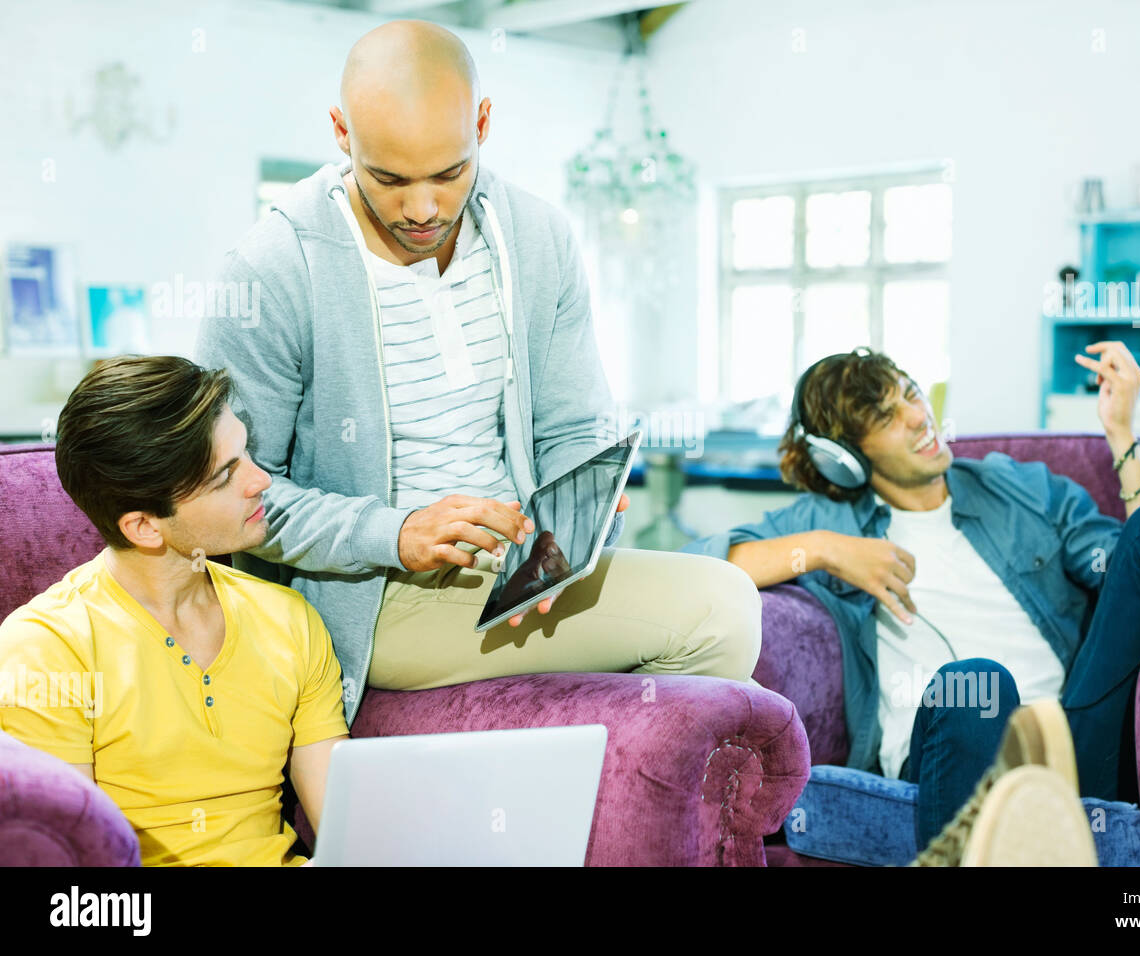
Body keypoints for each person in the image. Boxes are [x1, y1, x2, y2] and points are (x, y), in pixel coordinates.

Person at [195, 20, 761, 727]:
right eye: (390, 179)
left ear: (483, 124)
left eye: (449, 173)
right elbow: (229, 502)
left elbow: (573, 426)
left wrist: (572, 534)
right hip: (375, 592)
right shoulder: (273, 269)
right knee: (720, 609)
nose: (423, 209)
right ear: (342, 132)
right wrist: (396, 532)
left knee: (726, 608)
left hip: (518, 574)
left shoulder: (538, 237)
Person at [682, 342, 1140, 859]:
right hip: (954, 742)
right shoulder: (826, 520)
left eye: (912, 395)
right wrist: (821, 549)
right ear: (847, 457)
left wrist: (1121, 436)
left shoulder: (1018, 486)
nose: (921, 418)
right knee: (978, 684)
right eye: (889, 416)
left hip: (1074, 736)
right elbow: (699, 566)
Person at [0, 356, 348, 866]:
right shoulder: (48, 647)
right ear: (144, 527)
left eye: (245, 452)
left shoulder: (289, 617)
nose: (261, 481)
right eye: (226, 474)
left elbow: (347, 829)